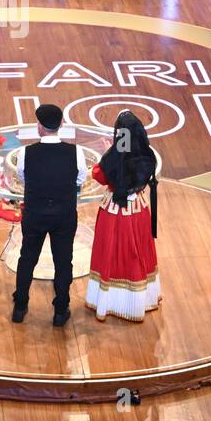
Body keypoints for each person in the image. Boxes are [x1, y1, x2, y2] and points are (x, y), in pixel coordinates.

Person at [11, 103, 88, 327]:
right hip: (64, 215)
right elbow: (79, 180)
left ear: (39, 127)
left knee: (27, 258)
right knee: (63, 261)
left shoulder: (26, 153)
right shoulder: (77, 153)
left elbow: (23, 177)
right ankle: (61, 310)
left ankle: (20, 306)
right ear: (61, 124)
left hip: (35, 214)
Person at [87, 110, 160, 322]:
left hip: (114, 213)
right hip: (138, 210)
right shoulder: (147, 155)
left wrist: (108, 151)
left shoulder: (115, 155)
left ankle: (108, 302)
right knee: (137, 252)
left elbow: (99, 175)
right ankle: (140, 302)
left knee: (109, 252)